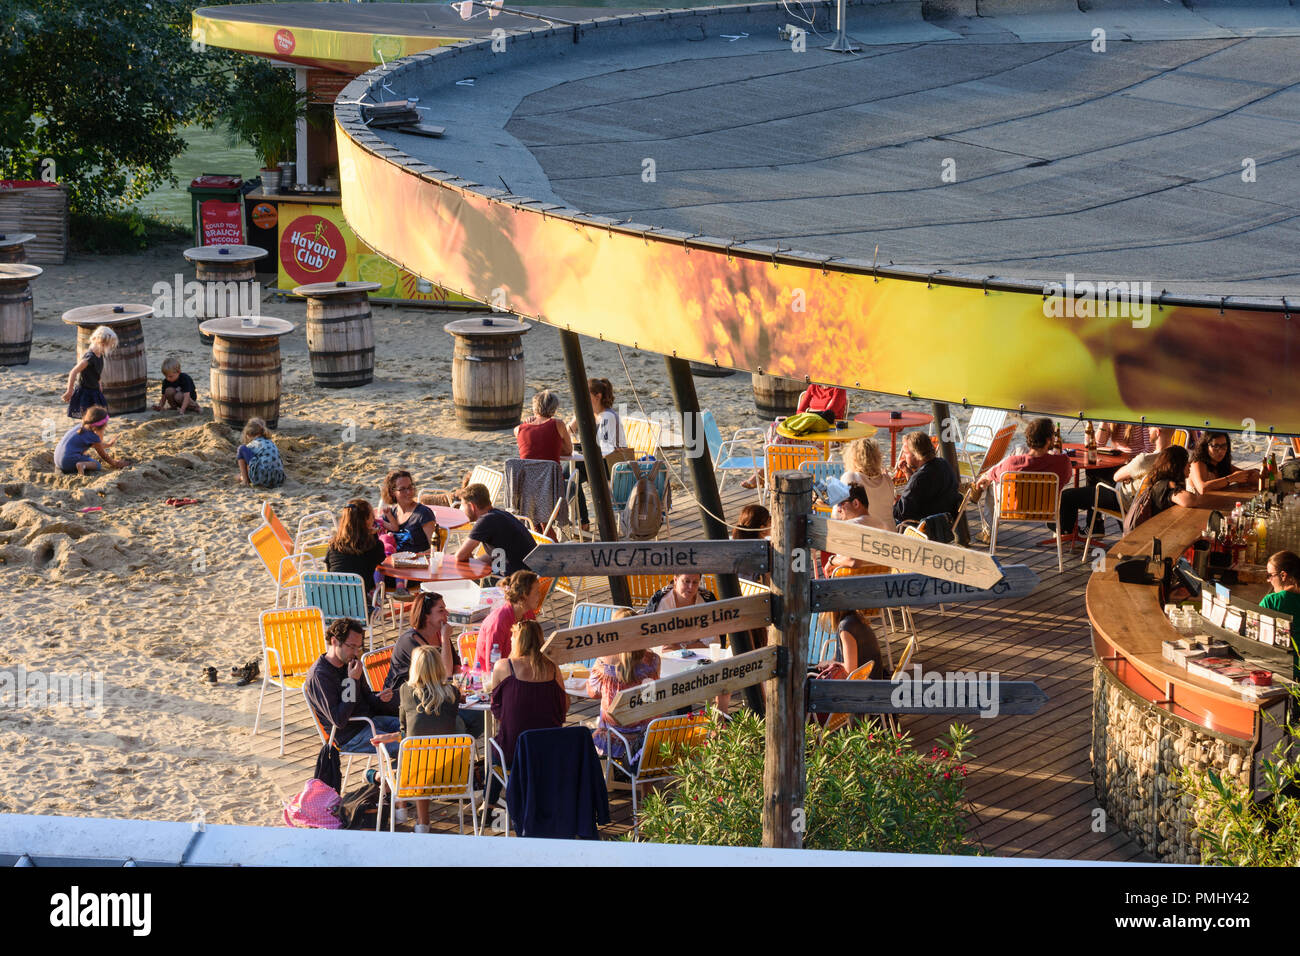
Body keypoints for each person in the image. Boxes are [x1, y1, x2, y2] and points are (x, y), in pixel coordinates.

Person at [303, 618, 399, 758]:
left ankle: (385, 775)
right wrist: (352, 681)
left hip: (371, 721)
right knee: (405, 747)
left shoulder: (351, 662)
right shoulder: (320, 676)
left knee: (417, 733)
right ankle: (384, 777)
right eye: (352, 646)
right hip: (350, 736)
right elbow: (339, 720)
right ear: (335, 641)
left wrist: (380, 698)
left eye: (359, 648)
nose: (356, 653)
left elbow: (367, 697)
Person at [1059, 427, 1173, 539]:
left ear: (1157, 432)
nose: (1148, 429)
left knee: (1067, 496)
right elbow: (1097, 444)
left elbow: (1117, 477)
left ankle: (1067, 530)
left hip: (1122, 497)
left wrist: (1130, 469)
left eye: (1150, 427)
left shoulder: (1144, 460)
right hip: (1135, 494)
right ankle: (1094, 526)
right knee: (1093, 472)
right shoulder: (1172, 457)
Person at [489, 620, 567, 770]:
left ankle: (492, 794)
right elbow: (563, 707)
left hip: (514, 751)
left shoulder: (503, 666)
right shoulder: (553, 668)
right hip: (549, 750)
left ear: (518, 640)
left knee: (493, 750)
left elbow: (496, 708)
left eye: (512, 636)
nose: (510, 639)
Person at [586, 609, 661, 761]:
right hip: (647, 735)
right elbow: (651, 694)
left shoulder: (603, 663)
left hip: (613, 737)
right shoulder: (653, 661)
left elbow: (593, 693)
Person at [566, 377, 626, 531]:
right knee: (568, 474)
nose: (582, 400)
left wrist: (583, 451)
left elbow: (605, 450)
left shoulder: (607, 417)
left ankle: (583, 522)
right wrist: (577, 416)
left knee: (569, 474)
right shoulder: (593, 414)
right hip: (599, 460)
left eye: (586, 396)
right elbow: (567, 433)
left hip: (613, 464)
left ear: (598, 396)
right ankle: (582, 521)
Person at [453, 482, 534, 575]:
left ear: (472, 506)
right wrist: (474, 560)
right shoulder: (501, 514)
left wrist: (469, 558)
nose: (461, 509)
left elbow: (459, 556)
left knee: (461, 579)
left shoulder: (486, 520)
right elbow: (495, 554)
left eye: (462, 505)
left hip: (514, 582)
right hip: (530, 577)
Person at [474, 570, 545, 672]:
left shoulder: (529, 614)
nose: (539, 595)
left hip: (518, 671)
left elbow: (534, 650)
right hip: (492, 678)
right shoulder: (498, 622)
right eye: (536, 592)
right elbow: (493, 667)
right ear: (525, 594)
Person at [893, 431, 961, 526]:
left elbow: (900, 513)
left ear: (915, 454)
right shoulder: (943, 464)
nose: (903, 457)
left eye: (905, 453)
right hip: (944, 522)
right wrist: (908, 472)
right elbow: (921, 491)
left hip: (924, 528)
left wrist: (890, 497)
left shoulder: (919, 479)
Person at [325, 499, 387, 601]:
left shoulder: (333, 545)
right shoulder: (371, 545)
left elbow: (330, 571)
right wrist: (374, 535)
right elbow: (380, 558)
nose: (374, 519)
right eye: (372, 516)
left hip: (333, 605)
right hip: (359, 607)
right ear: (366, 520)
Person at [824, 483, 892, 575]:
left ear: (856, 503)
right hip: (881, 580)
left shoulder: (851, 526)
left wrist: (832, 560)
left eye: (841, 503)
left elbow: (853, 561)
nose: (838, 509)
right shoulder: (883, 525)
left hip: (851, 583)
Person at [378, 469, 439, 554]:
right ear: (392, 492)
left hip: (417, 564)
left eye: (410, 487)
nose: (409, 492)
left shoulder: (423, 514)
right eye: (402, 489)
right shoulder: (389, 514)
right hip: (392, 563)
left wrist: (415, 556)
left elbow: (436, 549)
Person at [1260, 551, 1300, 680]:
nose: (1269, 580)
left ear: (1283, 575)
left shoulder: (1272, 601)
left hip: (1284, 672)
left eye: (1270, 575)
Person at [54, 406, 129, 475]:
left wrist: (108, 445)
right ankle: (82, 465)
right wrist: (115, 463)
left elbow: (96, 445)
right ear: (102, 427)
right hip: (67, 463)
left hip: (57, 460)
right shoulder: (94, 437)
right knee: (97, 465)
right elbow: (104, 456)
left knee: (84, 454)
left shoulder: (80, 427)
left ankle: (79, 463)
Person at [61, 325, 117, 419]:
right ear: (101, 343)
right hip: (85, 393)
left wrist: (99, 384)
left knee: (100, 416)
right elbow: (73, 372)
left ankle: (92, 432)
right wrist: (70, 390)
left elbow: (96, 373)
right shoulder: (90, 358)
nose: (109, 348)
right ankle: (85, 432)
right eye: (108, 345)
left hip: (95, 391)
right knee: (87, 417)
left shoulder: (100, 355)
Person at [842, 437, 896, 532]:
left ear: (853, 458)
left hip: (865, 538)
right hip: (891, 537)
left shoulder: (851, 477)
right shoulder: (888, 480)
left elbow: (838, 511)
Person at [1140, 445, 1208, 519]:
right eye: (1186, 462)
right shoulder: (1164, 485)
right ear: (1178, 465)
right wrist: (1174, 486)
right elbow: (1191, 500)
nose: (1189, 465)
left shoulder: (1167, 482)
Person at [1188, 432, 1259, 495]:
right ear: (1206, 446)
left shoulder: (1221, 463)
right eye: (1215, 446)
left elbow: (1242, 475)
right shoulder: (1197, 463)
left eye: (1224, 446)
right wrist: (1231, 479)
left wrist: (1254, 473)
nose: (1220, 451)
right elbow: (1202, 488)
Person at [515, 389, 573, 463]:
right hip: (551, 474)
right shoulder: (558, 424)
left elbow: (530, 449)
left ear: (534, 408)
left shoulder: (518, 430)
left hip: (527, 474)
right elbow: (568, 451)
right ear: (554, 409)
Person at [236, 418, 285, 488]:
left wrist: (243, 475)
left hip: (262, 477)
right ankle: (245, 478)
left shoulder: (252, 445)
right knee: (256, 461)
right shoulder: (271, 443)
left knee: (241, 449)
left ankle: (245, 481)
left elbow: (248, 463)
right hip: (278, 478)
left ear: (248, 434)